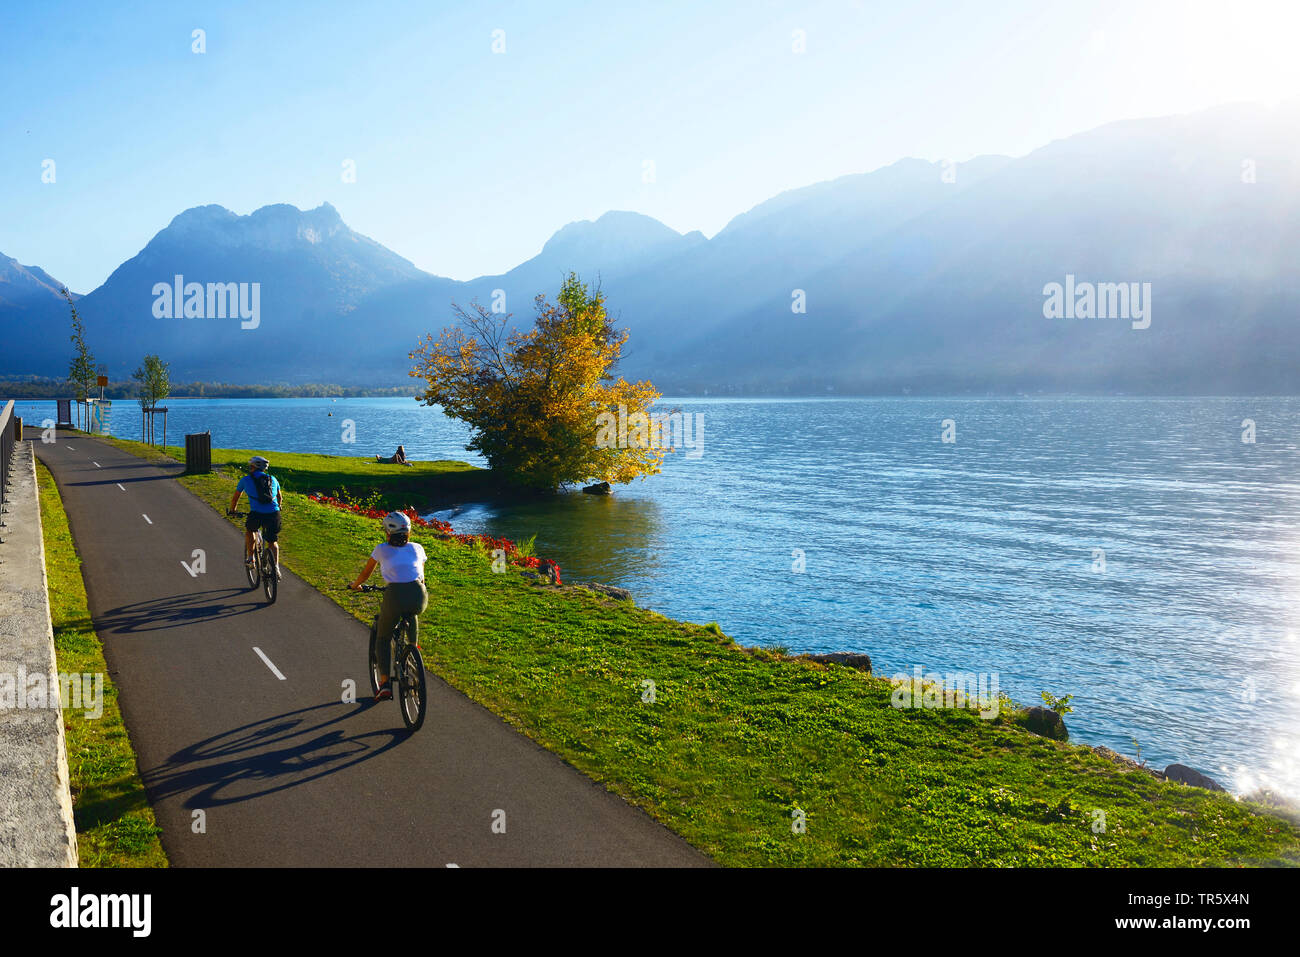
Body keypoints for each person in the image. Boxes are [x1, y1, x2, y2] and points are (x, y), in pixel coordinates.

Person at [349, 511, 428, 701]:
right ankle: (413, 647)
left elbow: (366, 573)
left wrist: (355, 585)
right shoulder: (417, 548)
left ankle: (384, 683)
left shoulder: (381, 549)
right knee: (411, 611)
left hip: (394, 595)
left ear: (387, 532)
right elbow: (421, 575)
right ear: (408, 532)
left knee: (383, 637)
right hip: (419, 594)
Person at [227, 455, 284, 580]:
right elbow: (279, 496)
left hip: (257, 513)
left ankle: (251, 559)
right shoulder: (273, 479)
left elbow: (235, 498)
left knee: (250, 530)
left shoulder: (246, 480)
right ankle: (276, 567)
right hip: (273, 514)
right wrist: (279, 506)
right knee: (272, 541)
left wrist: (233, 510)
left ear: (252, 467)